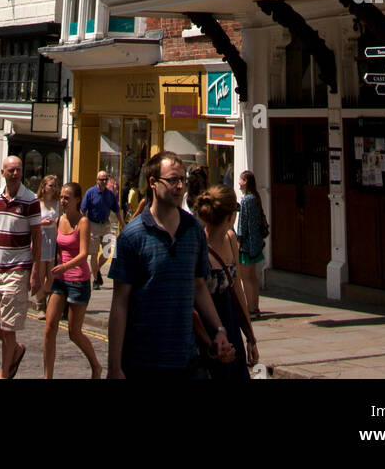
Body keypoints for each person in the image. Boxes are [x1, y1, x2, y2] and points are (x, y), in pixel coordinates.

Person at [107, 150, 234, 380]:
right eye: (173, 180)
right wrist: (114, 367)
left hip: (186, 360)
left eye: (182, 180)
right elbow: (120, 303)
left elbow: (199, 287)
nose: (179, 187)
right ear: (153, 183)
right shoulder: (130, 237)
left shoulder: (194, 231)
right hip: (142, 362)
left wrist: (219, 330)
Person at [0, 155, 43, 379]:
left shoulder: (30, 200)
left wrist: (35, 272)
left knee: (8, 326)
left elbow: (37, 237)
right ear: (2, 173)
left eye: (18, 170)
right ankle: (15, 350)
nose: (15, 174)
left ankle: (4, 373)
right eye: (11, 170)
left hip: (18, 268)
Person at [193, 186, 258, 379]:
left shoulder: (230, 240)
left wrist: (250, 337)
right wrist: (210, 342)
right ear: (230, 217)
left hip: (230, 325)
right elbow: (191, 303)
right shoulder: (197, 245)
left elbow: (237, 289)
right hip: (205, 330)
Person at [43, 182, 102, 379]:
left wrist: (65, 267)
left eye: (67, 197)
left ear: (77, 200)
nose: (63, 200)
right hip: (60, 281)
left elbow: (84, 254)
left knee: (74, 332)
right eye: (61, 197)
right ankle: (47, 376)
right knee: (49, 327)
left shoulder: (82, 222)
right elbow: (56, 250)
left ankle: (96, 366)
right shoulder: (59, 220)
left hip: (78, 281)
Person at [81, 170, 125, 290]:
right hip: (93, 225)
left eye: (106, 179)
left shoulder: (110, 194)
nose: (104, 182)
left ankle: (96, 271)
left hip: (105, 224)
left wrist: (122, 224)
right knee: (94, 253)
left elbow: (117, 209)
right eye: (102, 179)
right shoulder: (90, 193)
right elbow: (83, 210)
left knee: (107, 252)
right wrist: (82, 225)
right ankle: (95, 279)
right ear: (97, 180)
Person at [237, 170, 266, 317]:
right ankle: (255, 307)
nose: (239, 183)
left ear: (246, 181)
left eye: (241, 180)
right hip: (256, 242)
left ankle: (250, 308)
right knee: (253, 276)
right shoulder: (256, 197)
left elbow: (242, 224)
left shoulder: (245, 200)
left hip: (247, 244)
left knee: (245, 277)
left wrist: (238, 241)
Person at [36, 174, 60, 311]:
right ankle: (41, 305)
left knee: (51, 276)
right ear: (44, 187)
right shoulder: (37, 202)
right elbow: (30, 223)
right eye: (50, 186)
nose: (53, 188)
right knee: (40, 275)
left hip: (53, 239)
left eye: (55, 186)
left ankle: (43, 295)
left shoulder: (57, 203)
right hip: (40, 238)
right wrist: (41, 223)